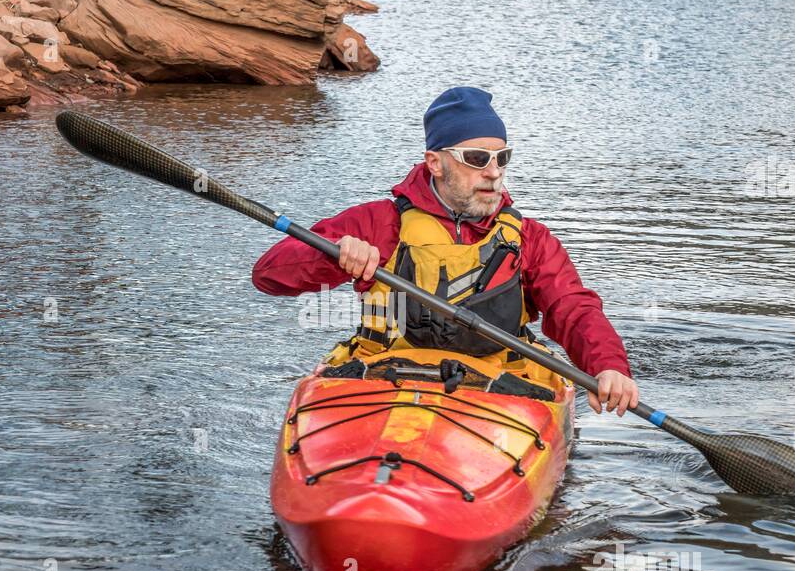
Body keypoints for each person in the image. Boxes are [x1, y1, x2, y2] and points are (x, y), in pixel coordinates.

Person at [251, 86, 639, 416]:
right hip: (382, 376)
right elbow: (268, 276)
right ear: (435, 163)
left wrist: (607, 365)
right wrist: (332, 255)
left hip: (500, 383)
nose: (494, 172)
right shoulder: (377, 223)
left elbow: (572, 307)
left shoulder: (528, 238)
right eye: (477, 158)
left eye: (502, 158)